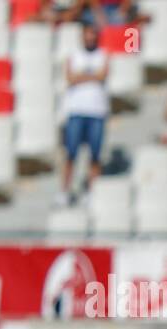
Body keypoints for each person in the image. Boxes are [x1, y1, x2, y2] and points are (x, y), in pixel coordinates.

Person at [56, 22, 109, 208]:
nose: (90, 37)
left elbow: (102, 75)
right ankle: (64, 191)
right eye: (87, 33)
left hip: (97, 111)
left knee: (94, 155)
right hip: (76, 111)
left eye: (93, 34)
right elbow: (70, 77)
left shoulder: (103, 55)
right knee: (71, 154)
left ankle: (91, 192)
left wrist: (82, 76)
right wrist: (91, 76)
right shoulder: (74, 55)